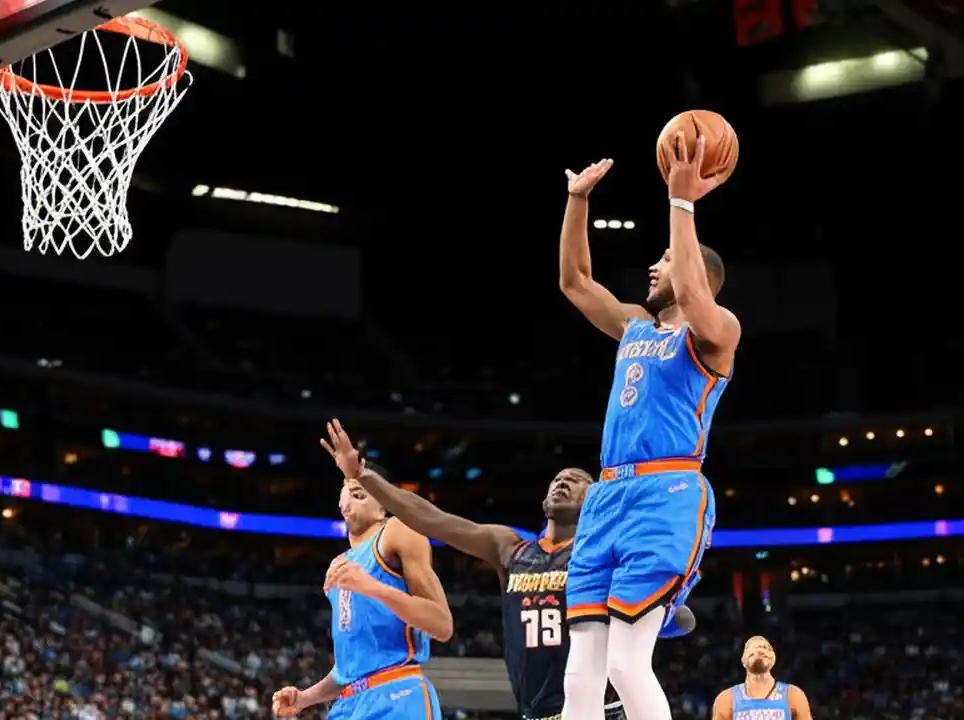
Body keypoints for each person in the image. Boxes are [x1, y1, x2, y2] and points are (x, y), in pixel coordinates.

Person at [318, 418, 695, 720]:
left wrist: (651, 613)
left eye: (577, 481)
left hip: (601, 710)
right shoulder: (510, 548)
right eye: (557, 479)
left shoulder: (603, 559)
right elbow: (432, 519)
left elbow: (680, 616)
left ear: (595, 501)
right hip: (532, 712)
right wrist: (363, 475)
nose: (563, 481)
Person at [557, 133, 738, 720]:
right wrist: (577, 201)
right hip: (607, 494)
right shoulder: (636, 327)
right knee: (580, 674)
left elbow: (689, 285)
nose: (652, 270)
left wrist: (681, 202)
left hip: (667, 492)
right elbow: (575, 283)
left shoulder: (717, 333)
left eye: (662, 260)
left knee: (626, 664)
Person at [271, 456, 453, 719]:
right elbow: (350, 668)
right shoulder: (338, 567)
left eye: (362, 494)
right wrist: (304, 698)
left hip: (397, 693)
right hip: (349, 704)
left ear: (384, 507)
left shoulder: (397, 531)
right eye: (349, 492)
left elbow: (442, 624)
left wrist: (372, 587)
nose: (351, 500)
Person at [711, 636, 812, 720]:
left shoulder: (793, 695)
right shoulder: (727, 699)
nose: (759, 650)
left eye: (765, 647)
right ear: (743, 660)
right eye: (752, 647)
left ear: (773, 659)